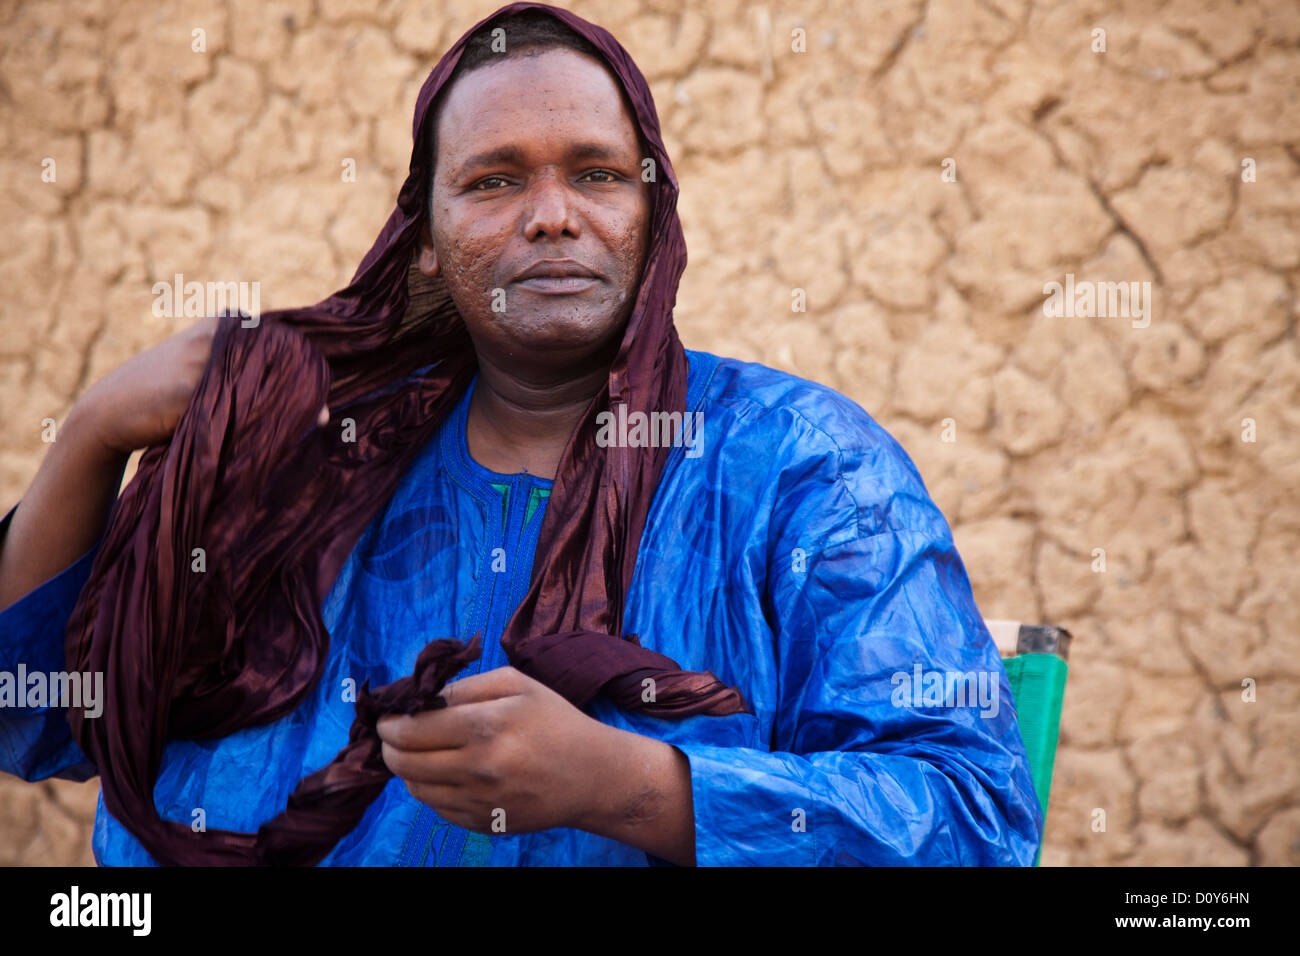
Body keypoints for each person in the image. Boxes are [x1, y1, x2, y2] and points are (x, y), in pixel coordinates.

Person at [0, 3, 1042, 866]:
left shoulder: (805, 468)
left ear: (652, 211)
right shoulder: (290, 448)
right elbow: (34, 716)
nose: (551, 214)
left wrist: (625, 783)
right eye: (494, 180)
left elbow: (972, 815)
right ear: (425, 231)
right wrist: (92, 434)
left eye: (595, 172)